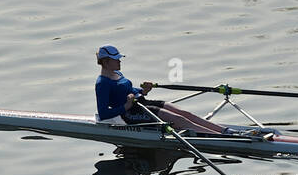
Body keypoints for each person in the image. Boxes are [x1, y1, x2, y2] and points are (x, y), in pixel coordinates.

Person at [94, 45, 230, 135]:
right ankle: (221, 138)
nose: (120, 61)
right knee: (179, 119)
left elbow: (129, 90)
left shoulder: (117, 73)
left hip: (142, 103)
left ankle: (225, 131)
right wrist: (126, 106)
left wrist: (143, 91)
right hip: (130, 113)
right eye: (116, 59)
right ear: (105, 62)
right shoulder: (102, 83)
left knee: (184, 113)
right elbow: (104, 113)